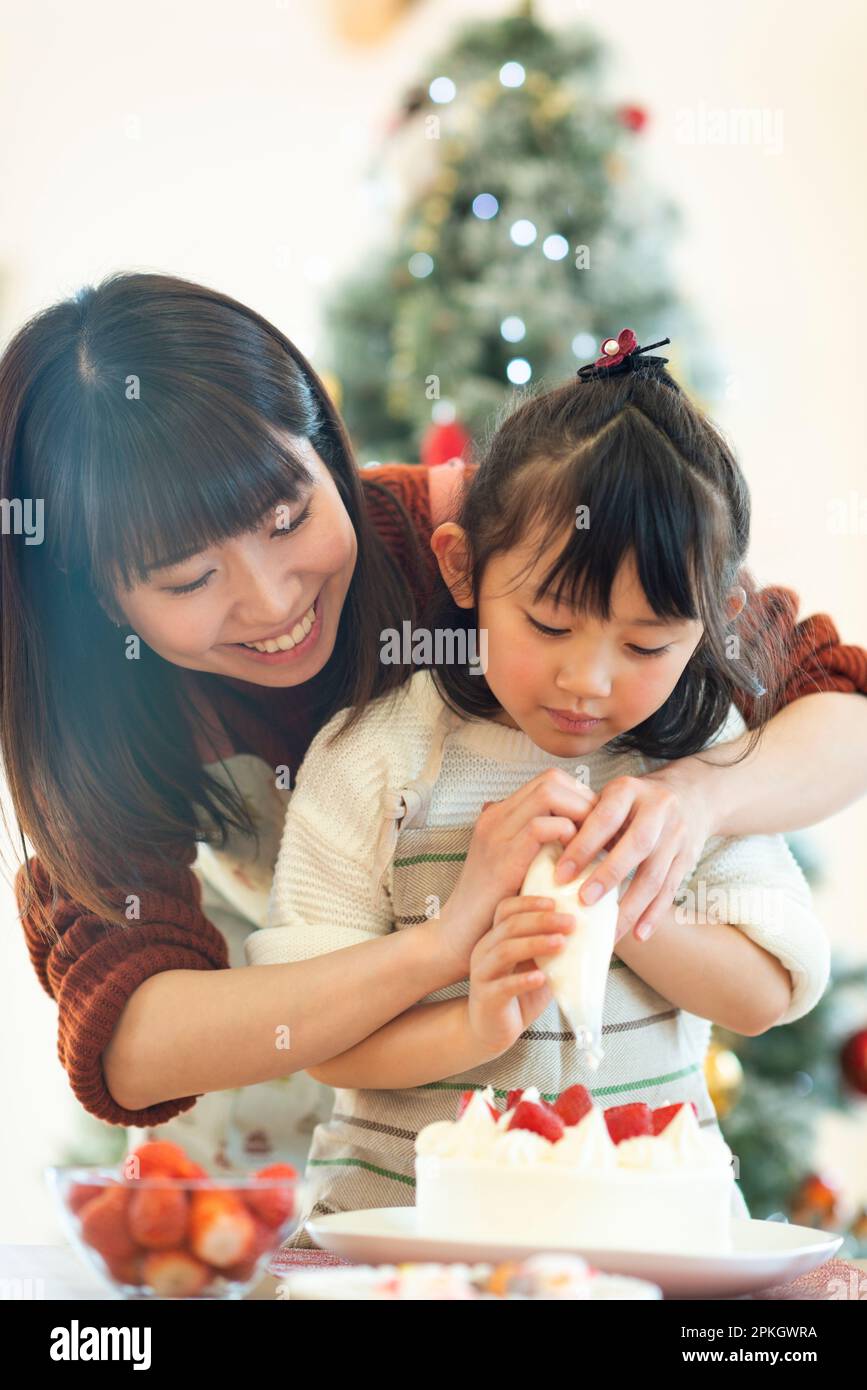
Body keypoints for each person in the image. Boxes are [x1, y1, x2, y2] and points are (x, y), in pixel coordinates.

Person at [3, 280, 865, 1173]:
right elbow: (132, 1047)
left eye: (289, 518)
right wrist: (442, 948)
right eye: (188, 581)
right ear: (98, 594)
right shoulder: (97, 709)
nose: (271, 601)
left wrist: (695, 797)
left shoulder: (479, 530)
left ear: (326, 450)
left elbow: (834, 702)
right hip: (272, 1118)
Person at [251, 336, 834, 1241]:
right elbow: (313, 1032)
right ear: (460, 568)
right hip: (394, 1233)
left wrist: (627, 899)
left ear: (712, 622)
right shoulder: (379, 750)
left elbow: (764, 993)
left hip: (647, 1241)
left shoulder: (700, 761)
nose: (588, 682)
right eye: (549, 623)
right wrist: (473, 1023)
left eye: (646, 646)